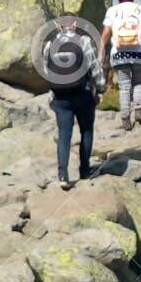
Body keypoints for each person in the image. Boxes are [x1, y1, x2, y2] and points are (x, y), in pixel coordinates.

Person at [42, 17, 103, 189]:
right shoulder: (83, 41)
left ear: (58, 27)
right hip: (82, 94)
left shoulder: (49, 44)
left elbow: (47, 71)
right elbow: (95, 68)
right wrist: (100, 89)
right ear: (75, 25)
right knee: (87, 130)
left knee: (64, 135)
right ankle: (85, 170)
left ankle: (63, 174)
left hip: (60, 97)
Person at [99, 0, 141, 130]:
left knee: (124, 86)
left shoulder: (112, 11)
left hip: (119, 53)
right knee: (139, 82)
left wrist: (101, 50)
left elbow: (106, 33)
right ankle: (138, 112)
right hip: (139, 53)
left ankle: (125, 119)